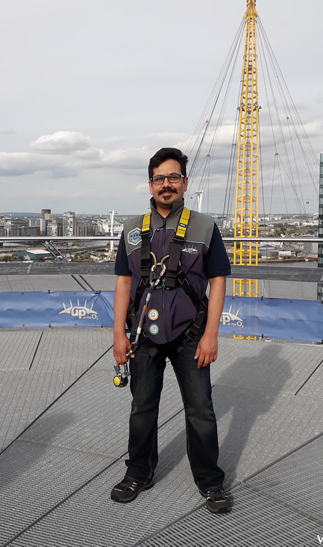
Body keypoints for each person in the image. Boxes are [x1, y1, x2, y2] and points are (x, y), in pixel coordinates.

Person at [110, 147, 232, 514]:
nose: (167, 184)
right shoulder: (132, 229)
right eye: (160, 178)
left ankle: (210, 481)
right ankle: (138, 473)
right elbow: (123, 282)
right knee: (142, 409)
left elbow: (218, 280)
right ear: (150, 184)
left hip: (190, 334)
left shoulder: (204, 226)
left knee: (200, 410)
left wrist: (211, 334)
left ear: (185, 183)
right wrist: (118, 334)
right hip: (143, 334)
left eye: (173, 177)